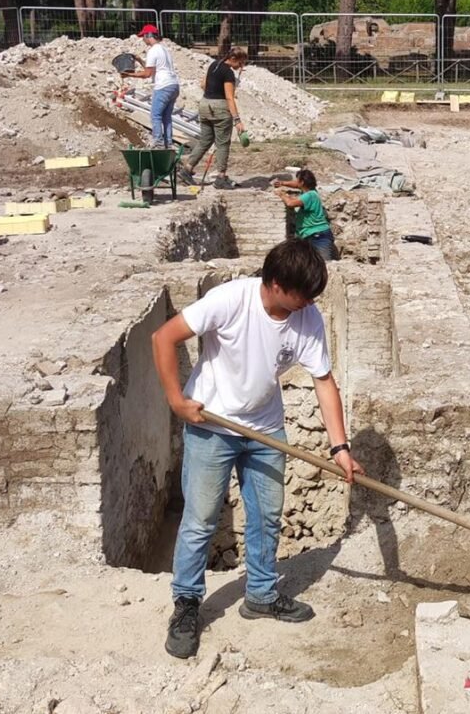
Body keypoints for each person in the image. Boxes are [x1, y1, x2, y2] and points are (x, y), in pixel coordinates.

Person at [151, 238, 365, 658]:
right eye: (300, 295)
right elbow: (164, 337)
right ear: (273, 282)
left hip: (266, 432)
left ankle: (262, 594)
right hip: (212, 425)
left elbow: (324, 381)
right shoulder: (231, 300)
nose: (306, 304)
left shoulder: (307, 317)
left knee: (267, 516)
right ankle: (187, 604)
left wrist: (340, 446)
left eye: (311, 297)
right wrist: (176, 399)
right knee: (201, 519)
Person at [182, 46, 250, 190]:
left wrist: (214, 91)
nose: (241, 67)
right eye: (240, 63)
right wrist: (237, 120)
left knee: (205, 140)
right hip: (220, 109)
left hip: (205, 105)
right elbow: (229, 98)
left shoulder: (214, 64)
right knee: (222, 143)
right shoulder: (228, 73)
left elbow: (203, 84)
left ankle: (187, 169)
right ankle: (220, 177)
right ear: (233, 59)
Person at [121, 24, 180, 149]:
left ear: (149, 36)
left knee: (156, 115)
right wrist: (139, 61)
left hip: (163, 86)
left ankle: (158, 142)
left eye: (144, 36)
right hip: (173, 85)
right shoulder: (164, 50)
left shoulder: (153, 51)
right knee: (166, 116)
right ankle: (168, 143)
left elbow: (147, 74)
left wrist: (130, 74)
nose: (143, 39)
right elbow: (152, 69)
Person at [274, 169, 338, 261]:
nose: (296, 183)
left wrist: (282, 194)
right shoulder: (309, 190)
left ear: (302, 182)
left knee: (324, 264)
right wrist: (282, 183)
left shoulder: (310, 195)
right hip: (309, 235)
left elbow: (290, 203)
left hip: (318, 237)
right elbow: (296, 184)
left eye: (298, 180)